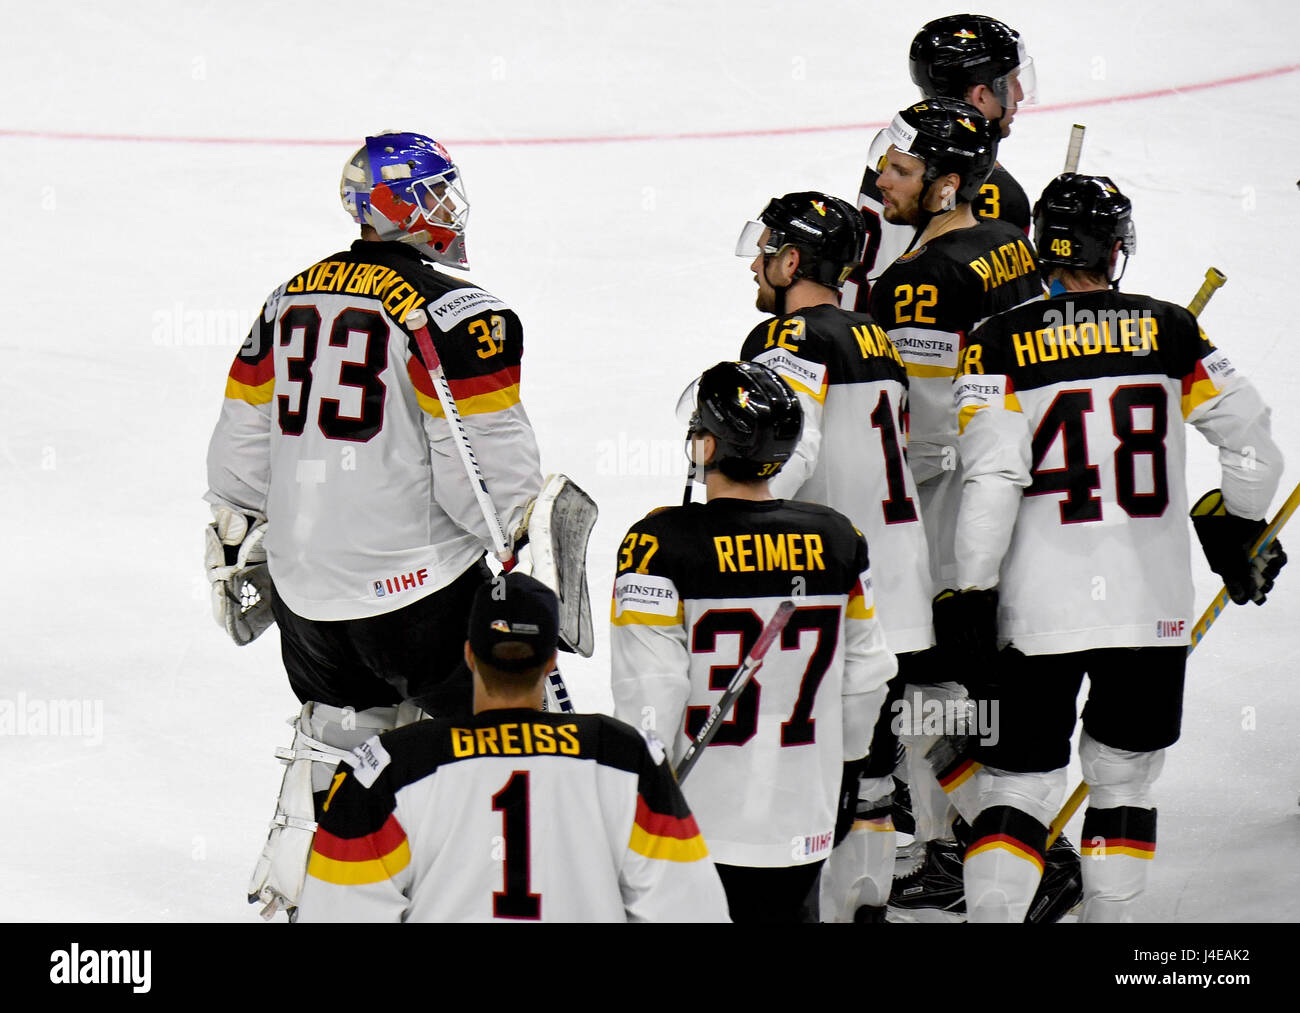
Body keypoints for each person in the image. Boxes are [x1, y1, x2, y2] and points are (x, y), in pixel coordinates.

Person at [204, 131, 543, 915]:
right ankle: (497, 887)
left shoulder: (289, 296)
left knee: (341, 730)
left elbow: (237, 468)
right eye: (431, 193)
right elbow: (488, 492)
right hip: (417, 596)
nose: (448, 209)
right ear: (391, 206)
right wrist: (518, 549)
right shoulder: (460, 311)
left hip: (306, 594)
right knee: (515, 723)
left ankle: (310, 885)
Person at [945, 173, 1286, 921]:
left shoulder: (996, 340)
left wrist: (970, 590)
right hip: (1150, 608)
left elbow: (994, 478)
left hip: (1035, 610)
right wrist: (1237, 525)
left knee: (1016, 784)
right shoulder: (1170, 328)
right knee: (1124, 781)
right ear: (1117, 249)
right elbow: (1255, 445)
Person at [610, 360, 897, 923]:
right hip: (804, 825)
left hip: (696, 828)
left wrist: (636, 804)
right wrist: (847, 776)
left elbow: (652, 698)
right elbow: (866, 677)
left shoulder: (657, 543)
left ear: (709, 448)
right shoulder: (840, 538)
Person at [862, 98, 1057, 920]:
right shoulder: (1008, 244)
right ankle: (972, 842)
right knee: (940, 688)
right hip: (1014, 488)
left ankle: (985, 848)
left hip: (944, 507)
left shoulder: (920, 278)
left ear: (945, 186)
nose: (882, 180)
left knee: (919, 685)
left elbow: (930, 428)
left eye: (901, 170)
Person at [296, 572, 730, 922]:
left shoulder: (388, 768)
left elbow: (337, 912)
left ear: (469, 655)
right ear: (551, 662)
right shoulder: (625, 757)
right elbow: (691, 910)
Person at [734, 193, 932, 920]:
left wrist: (731, 523)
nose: (755, 265)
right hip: (903, 584)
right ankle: (865, 909)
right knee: (873, 767)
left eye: (766, 252)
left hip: (839, 595)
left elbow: (791, 446)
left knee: (819, 767)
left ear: (791, 261)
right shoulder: (877, 335)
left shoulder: (785, 337)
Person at [843, 13, 1037, 312]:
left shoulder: (896, 148)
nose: (1020, 95)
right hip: (916, 336)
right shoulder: (988, 189)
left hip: (865, 330)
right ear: (982, 95)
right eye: (1011, 82)